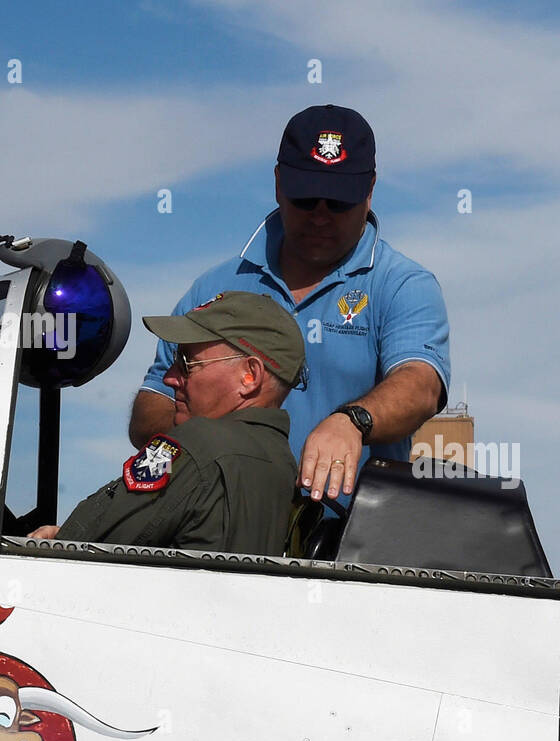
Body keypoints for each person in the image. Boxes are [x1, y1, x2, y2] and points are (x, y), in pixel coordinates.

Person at [129, 104, 450, 506]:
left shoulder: (403, 285)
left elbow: (421, 384)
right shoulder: (212, 288)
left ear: (369, 191)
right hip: (214, 536)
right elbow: (152, 405)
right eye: (306, 198)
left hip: (345, 546)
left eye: (338, 202)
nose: (319, 217)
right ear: (279, 183)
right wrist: (207, 437)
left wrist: (352, 421)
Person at [30, 292, 303, 555]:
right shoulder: (283, 463)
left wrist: (65, 535)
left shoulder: (200, 444)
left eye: (187, 364)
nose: (171, 378)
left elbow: (83, 541)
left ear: (249, 375)